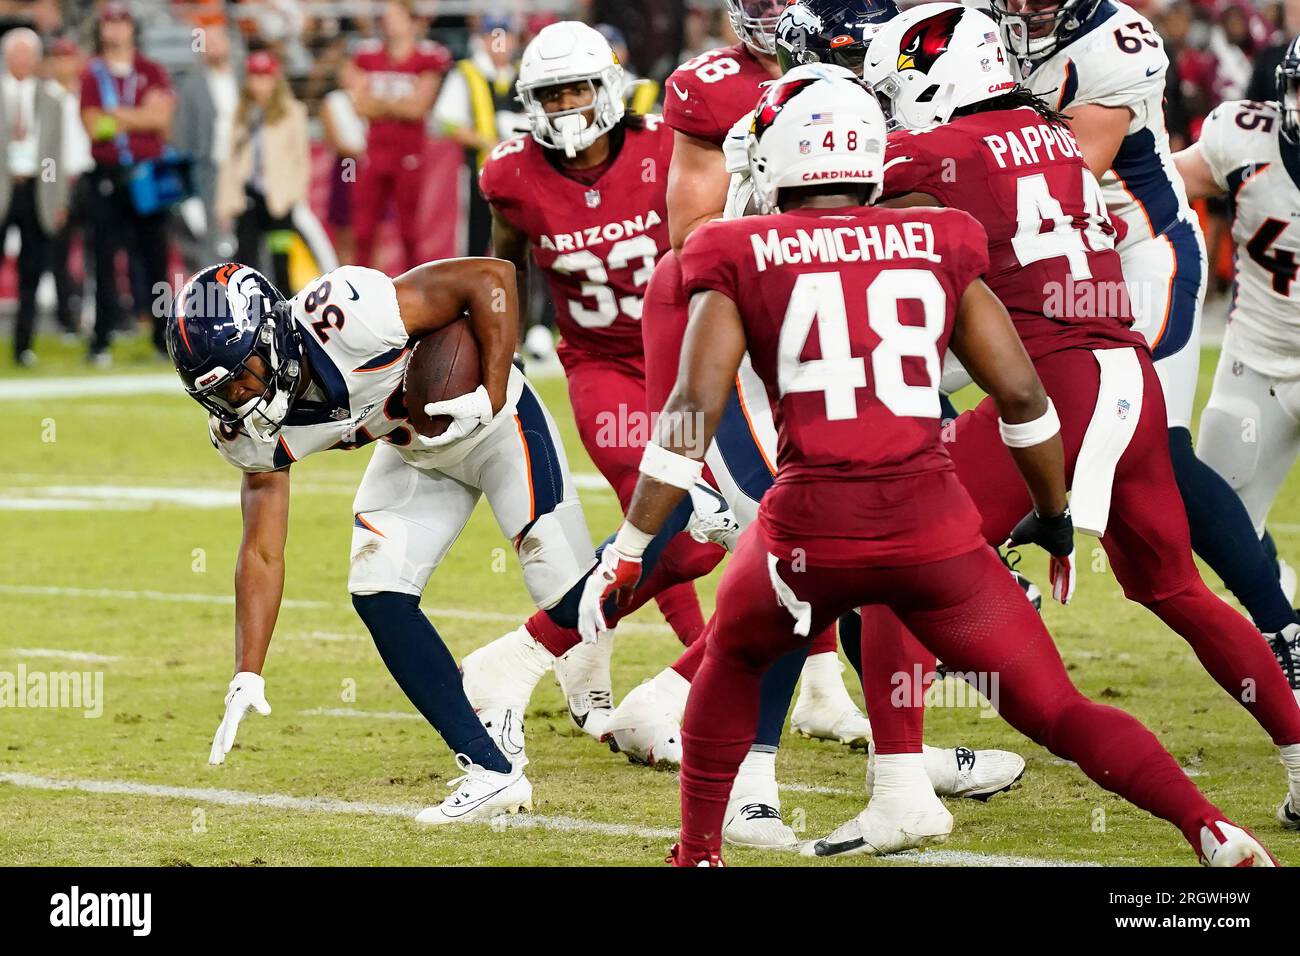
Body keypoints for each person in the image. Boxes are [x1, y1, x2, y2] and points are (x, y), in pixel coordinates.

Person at [586, 65, 1277, 870]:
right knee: (1055, 707)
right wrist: (1053, 515)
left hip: (807, 530)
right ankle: (1207, 826)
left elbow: (689, 415)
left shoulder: (733, 249)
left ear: (777, 156)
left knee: (735, 658)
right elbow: (1021, 395)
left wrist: (631, 548)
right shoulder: (938, 239)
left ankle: (698, 852)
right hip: (931, 529)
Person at [788, 3, 1300, 855]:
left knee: (896, 558)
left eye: (895, 87)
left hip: (1058, 383)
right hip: (1125, 370)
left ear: (934, 74)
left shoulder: (931, 151)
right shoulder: (1053, 133)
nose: (890, 104)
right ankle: (1297, 752)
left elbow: (835, 216)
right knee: (1172, 587)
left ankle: (902, 789)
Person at [165, 254, 595, 823]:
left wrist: (489, 391)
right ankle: (492, 771)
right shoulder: (245, 431)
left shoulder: (347, 316)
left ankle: (670, 517)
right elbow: (262, 550)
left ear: (271, 333)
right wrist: (248, 670)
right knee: (377, 590)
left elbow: (491, 277)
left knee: (575, 599)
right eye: (219, 394)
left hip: (491, 423)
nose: (239, 400)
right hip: (415, 453)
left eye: (243, 375)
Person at [991, 0, 1300, 672]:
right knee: (921, 374)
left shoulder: (1118, 43)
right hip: (1043, 262)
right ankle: (979, 566)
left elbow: (1058, 181)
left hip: (1136, 255)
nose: (1022, 11)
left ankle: (1284, 631)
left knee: (1154, 442)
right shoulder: (974, 31)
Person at [474, 21, 722, 728]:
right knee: (680, 528)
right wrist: (502, 356)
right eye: (551, 94)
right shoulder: (511, 175)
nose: (567, 105)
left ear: (607, 84)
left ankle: (587, 629)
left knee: (750, 517)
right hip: (604, 367)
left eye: (578, 87)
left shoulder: (665, 145)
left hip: (691, 356)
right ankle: (696, 666)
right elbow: (501, 270)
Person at [1174, 37, 1300, 717]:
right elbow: (1163, 184)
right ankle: (1281, 603)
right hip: (1258, 360)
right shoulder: (1241, 135)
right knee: (1216, 526)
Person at [79, 1, 175, 366]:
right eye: (109, 23)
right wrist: (139, 117)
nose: (116, 30)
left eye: (122, 22)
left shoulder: (151, 70)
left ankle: (160, 337)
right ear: (102, 29)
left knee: (156, 258)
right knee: (104, 257)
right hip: (108, 174)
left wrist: (117, 116)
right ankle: (101, 336)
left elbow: (161, 120)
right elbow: (93, 126)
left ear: (132, 28)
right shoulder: (93, 74)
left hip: (147, 173)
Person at [344, 0, 449, 272]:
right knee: (364, 230)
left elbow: (417, 109)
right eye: (387, 15)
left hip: (409, 154)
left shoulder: (427, 57)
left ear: (411, 20)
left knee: (409, 232)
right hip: (375, 152)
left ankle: (414, 291)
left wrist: (379, 102)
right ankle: (359, 289)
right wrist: (398, 103)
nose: (388, 21)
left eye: (395, 15)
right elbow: (359, 105)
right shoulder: (368, 55)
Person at [215, 51, 309, 295]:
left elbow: (301, 159)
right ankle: (248, 316)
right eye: (254, 76)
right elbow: (231, 161)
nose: (259, 83)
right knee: (244, 262)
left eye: (264, 76)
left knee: (281, 263)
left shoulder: (292, 111)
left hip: (278, 199)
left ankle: (286, 318)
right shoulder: (243, 113)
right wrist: (225, 203)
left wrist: (293, 196)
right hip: (249, 196)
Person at [433, 14, 525, 257]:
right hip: (479, 171)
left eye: (506, 36)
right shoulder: (467, 72)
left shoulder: (523, 74)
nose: (500, 43)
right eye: (494, 36)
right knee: (476, 237)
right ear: (483, 40)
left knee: (520, 241)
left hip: (521, 174)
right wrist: (490, 142)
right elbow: (448, 123)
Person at [0, 27, 65, 367]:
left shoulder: (52, 100)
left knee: (31, 273)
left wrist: (56, 200)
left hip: (36, 191)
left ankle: (23, 347)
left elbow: (55, 154)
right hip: (3, 188)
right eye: (17, 53)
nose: (23, 60)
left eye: (29, 54)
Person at [172, 17, 240, 274]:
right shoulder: (191, 85)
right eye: (207, 43)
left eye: (218, 41)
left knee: (245, 236)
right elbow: (182, 135)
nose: (213, 48)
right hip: (208, 168)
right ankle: (211, 301)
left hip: (241, 168)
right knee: (209, 238)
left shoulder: (242, 79)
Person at [48, 35, 93, 340]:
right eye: (60, 58)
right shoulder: (45, 96)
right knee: (59, 253)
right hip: (58, 178)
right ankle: (65, 317)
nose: (66, 64)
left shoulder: (86, 94)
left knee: (97, 250)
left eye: (70, 57)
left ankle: (94, 313)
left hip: (87, 176)